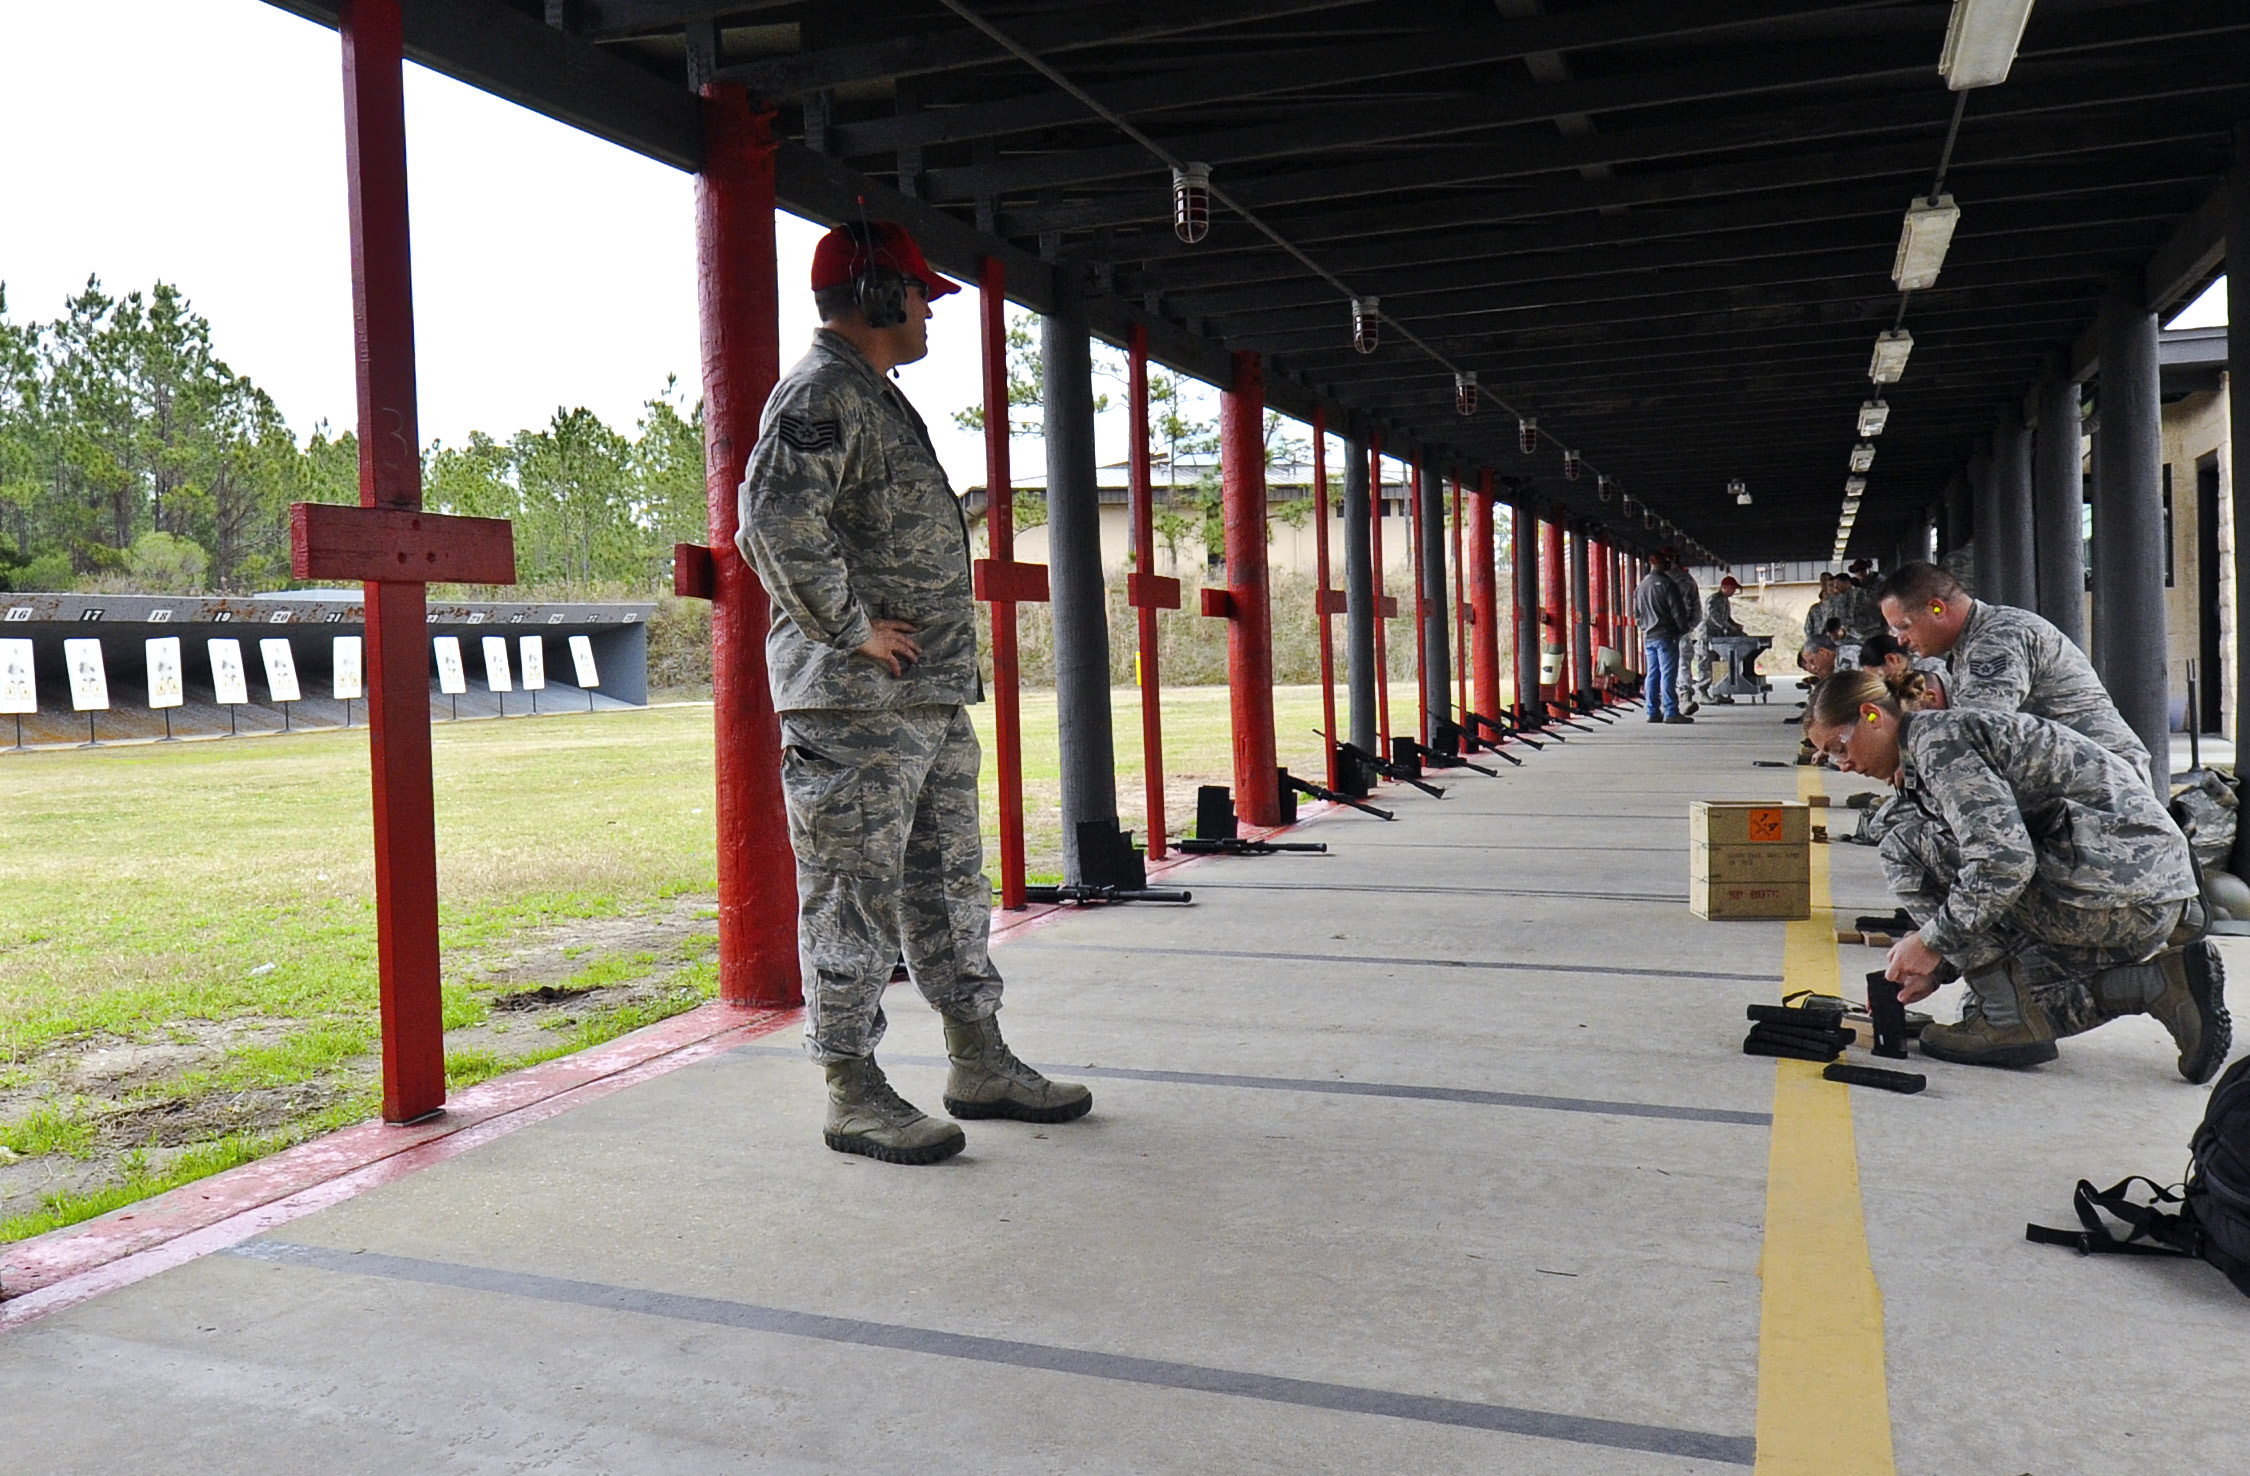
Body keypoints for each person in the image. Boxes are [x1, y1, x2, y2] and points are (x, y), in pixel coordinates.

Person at [739, 219, 1091, 1166]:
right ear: (879, 294)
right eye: (919, 293)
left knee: (948, 885)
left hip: (923, 700)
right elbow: (772, 521)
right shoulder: (818, 395)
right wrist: (850, 628)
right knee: (850, 896)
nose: (931, 310)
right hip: (853, 705)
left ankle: (977, 1057)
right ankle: (851, 1089)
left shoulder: (871, 397)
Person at [1804, 670, 2228, 1080]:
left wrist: (1932, 942)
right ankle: (2161, 985)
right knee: (2011, 1007)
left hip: (2118, 887)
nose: (1840, 765)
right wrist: (1940, 967)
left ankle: (2007, 1020)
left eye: (1838, 747)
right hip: (2132, 893)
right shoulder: (1930, 748)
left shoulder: (1939, 744)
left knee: (1902, 845)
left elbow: (2002, 862)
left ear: (1871, 716)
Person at [1874, 561, 2155, 793]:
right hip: (2078, 779)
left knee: (1918, 834)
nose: (1901, 641)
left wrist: (1909, 758)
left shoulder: (1997, 639)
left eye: (1903, 627)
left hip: (2108, 789)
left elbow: (1974, 736)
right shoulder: (1972, 642)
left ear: (1937, 608)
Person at [1633, 550, 1695, 724]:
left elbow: (1637, 614)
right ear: (1664, 564)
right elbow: (1678, 611)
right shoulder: (1668, 584)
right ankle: (1671, 711)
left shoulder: (1641, 586)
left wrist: (1646, 627)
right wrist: (1683, 629)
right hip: (1667, 635)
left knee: (1652, 674)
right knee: (1668, 674)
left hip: (1649, 636)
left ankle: (1652, 711)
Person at [1694, 575, 1745, 702]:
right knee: (1706, 663)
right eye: (1732, 589)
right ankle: (1703, 693)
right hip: (1707, 636)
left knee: (1717, 665)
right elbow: (1714, 617)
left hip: (1718, 637)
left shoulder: (1725, 601)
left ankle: (1717, 692)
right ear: (1724, 587)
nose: (1734, 592)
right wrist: (1728, 627)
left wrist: (1735, 625)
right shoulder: (1714, 599)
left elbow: (1727, 617)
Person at [1663, 549, 1702, 715]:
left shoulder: (1653, 581)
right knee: (1682, 663)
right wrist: (1690, 626)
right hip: (1681, 628)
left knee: (1663, 665)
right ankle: (1684, 697)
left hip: (1661, 629)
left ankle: (1666, 701)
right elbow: (1696, 607)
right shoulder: (1687, 580)